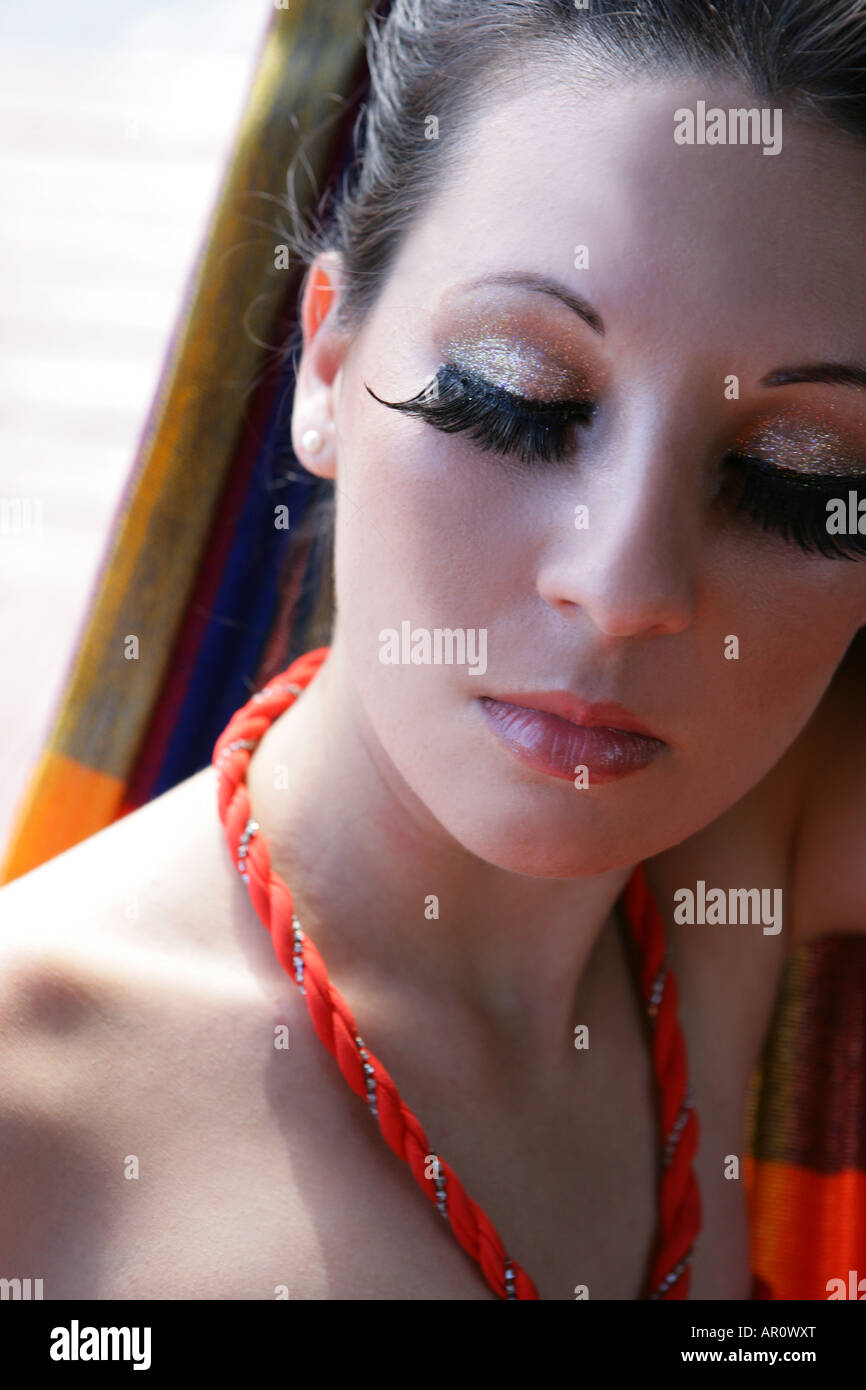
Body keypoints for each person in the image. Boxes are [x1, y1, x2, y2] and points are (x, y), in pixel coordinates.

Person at [1, 0, 865, 1301]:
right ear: (326, 361)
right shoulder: (34, 1107)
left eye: (795, 479)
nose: (623, 586)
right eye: (513, 398)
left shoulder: (739, 869)